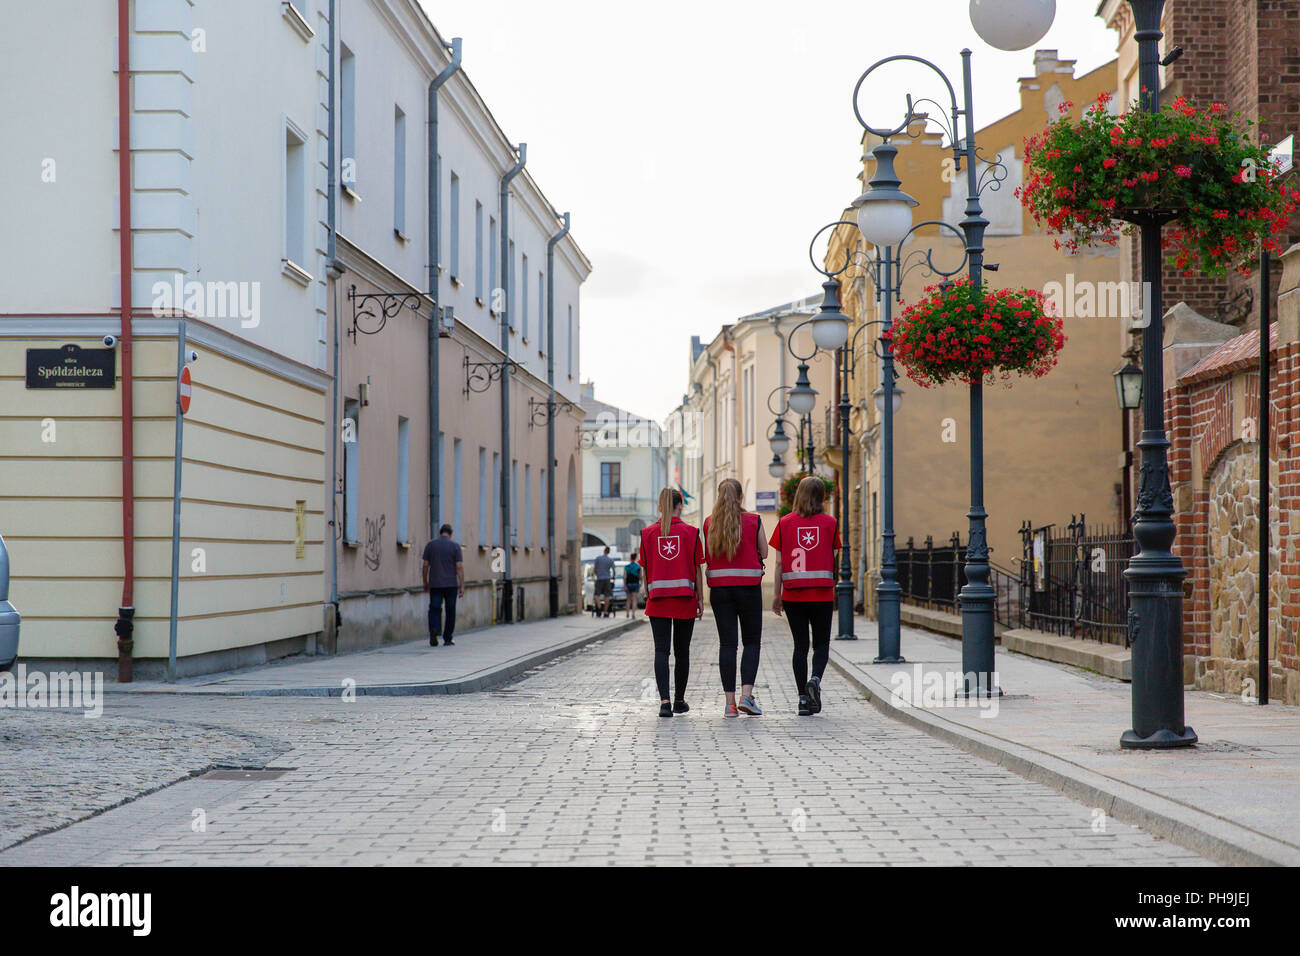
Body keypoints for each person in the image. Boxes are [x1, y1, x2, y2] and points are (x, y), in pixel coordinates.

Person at [770, 476, 839, 716]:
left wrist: (776, 594)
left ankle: (802, 699)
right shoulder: (830, 523)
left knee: (800, 646)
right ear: (821, 497)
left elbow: (778, 563)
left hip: (793, 594)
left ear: (797, 495)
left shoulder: (784, 523)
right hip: (822, 593)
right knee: (821, 644)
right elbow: (833, 556)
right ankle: (816, 680)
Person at [704, 478, 767, 718]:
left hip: (720, 591)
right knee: (751, 642)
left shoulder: (710, 523)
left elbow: (708, 553)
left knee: (727, 644)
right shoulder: (753, 520)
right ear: (741, 497)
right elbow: (765, 551)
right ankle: (747, 697)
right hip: (749, 589)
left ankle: (730, 704)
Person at [640, 487, 704, 718]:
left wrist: (648, 593)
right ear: (681, 506)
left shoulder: (647, 534)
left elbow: (645, 571)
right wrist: (701, 599)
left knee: (661, 650)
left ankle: (664, 702)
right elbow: (697, 568)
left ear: (659, 506)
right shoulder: (691, 532)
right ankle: (679, 701)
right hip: (685, 599)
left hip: (657, 601)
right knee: (682, 652)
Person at [422, 524, 465, 647]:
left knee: (434, 608)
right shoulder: (455, 546)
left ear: (440, 532)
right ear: (450, 533)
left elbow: (425, 565)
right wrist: (462, 586)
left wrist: (425, 581)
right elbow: (459, 567)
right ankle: (447, 638)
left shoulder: (431, 545)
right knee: (450, 610)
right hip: (451, 584)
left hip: (435, 583)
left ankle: (434, 629)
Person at [592, 546, 616, 617]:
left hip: (599, 578)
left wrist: (597, 574)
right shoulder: (610, 560)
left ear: (604, 551)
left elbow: (595, 569)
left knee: (596, 594)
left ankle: (599, 608)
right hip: (607, 579)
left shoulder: (598, 558)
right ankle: (605, 612)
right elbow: (614, 570)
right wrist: (613, 576)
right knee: (607, 595)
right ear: (608, 552)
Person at [623, 551, 642, 618]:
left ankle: (627, 613)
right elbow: (640, 576)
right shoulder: (638, 567)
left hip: (628, 583)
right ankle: (633, 614)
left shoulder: (626, 567)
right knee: (634, 599)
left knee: (628, 600)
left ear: (630, 558)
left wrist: (625, 585)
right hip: (635, 583)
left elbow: (624, 576)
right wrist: (641, 583)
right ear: (636, 558)